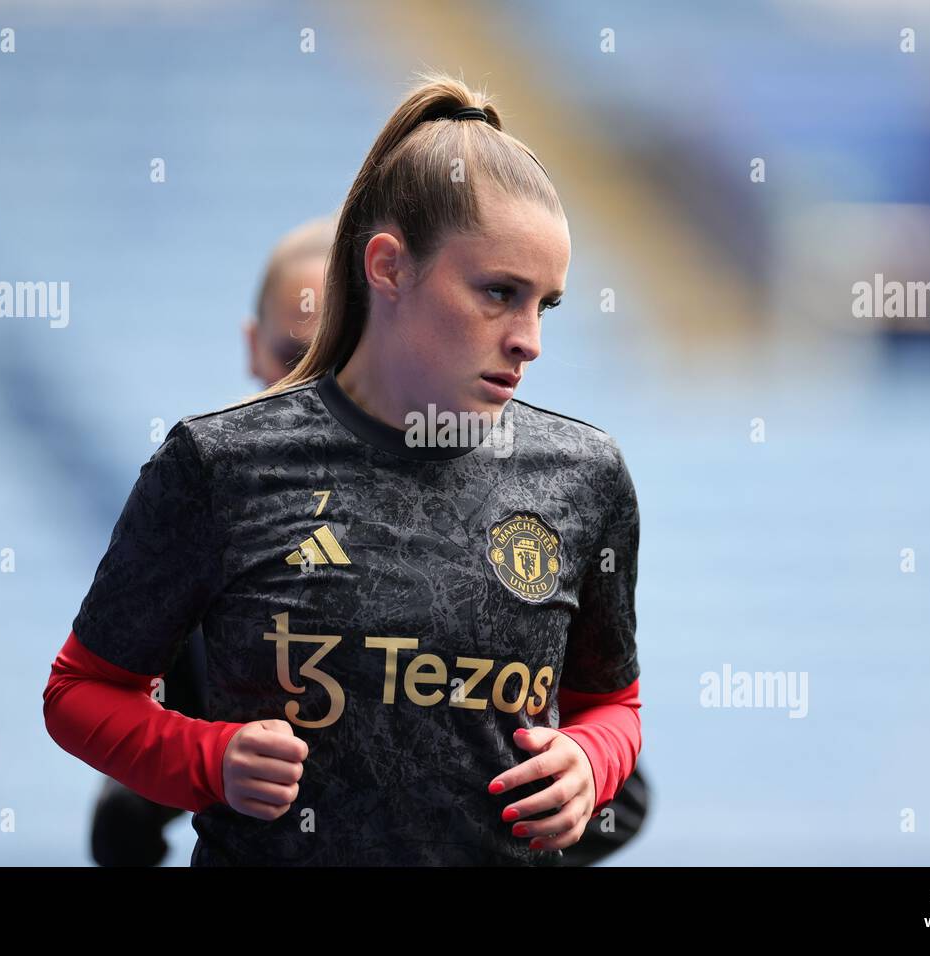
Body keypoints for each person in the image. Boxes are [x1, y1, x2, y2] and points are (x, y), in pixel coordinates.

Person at [44, 71, 643, 866]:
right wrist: (209, 761)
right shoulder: (222, 465)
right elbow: (79, 693)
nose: (529, 338)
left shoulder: (584, 475)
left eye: (545, 305)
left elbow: (613, 703)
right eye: (499, 293)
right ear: (388, 267)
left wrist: (591, 763)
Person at [87, 215, 335, 866]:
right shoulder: (206, 503)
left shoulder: (468, 511)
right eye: (293, 356)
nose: (312, 386)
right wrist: (156, 789)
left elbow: (591, 780)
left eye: (339, 356)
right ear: (252, 347)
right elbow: (132, 721)